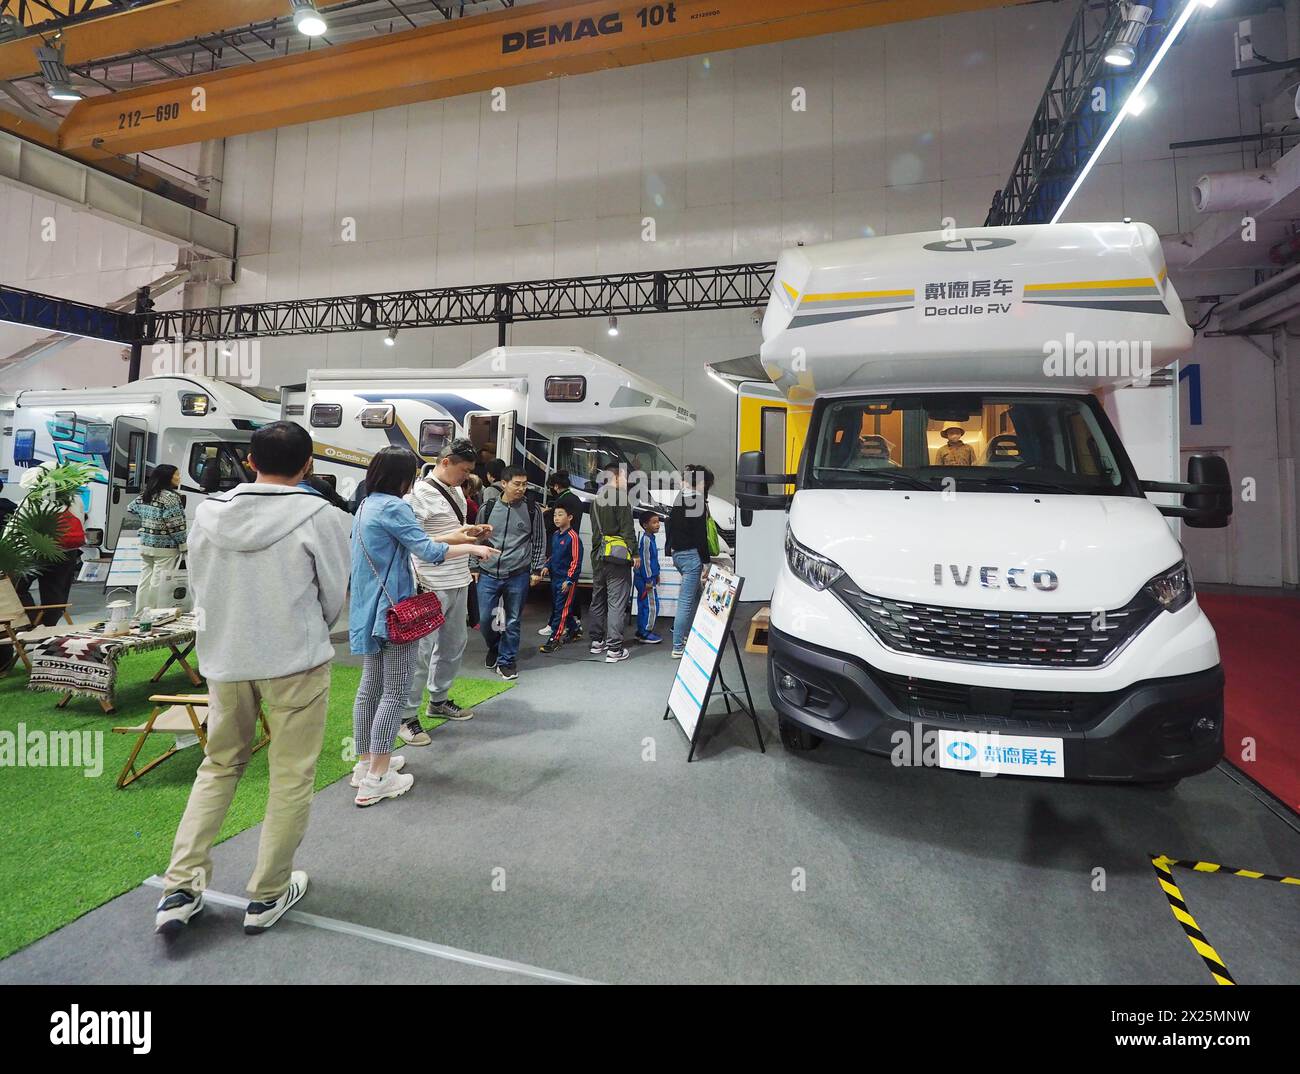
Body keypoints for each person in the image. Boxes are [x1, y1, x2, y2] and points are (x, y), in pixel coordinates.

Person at [154, 421, 352, 936]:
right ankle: (267, 893)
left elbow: (199, 585)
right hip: (295, 662)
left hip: (225, 659)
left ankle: (180, 887)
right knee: (290, 776)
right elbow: (333, 593)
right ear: (308, 465)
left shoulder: (207, 513)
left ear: (249, 461)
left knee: (218, 765)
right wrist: (309, 631)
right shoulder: (323, 515)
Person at [350, 446, 497, 806]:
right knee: (394, 691)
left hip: (367, 608)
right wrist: (474, 549)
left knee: (370, 687)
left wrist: (459, 536)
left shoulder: (368, 504)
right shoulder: (398, 505)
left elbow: (416, 540)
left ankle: (366, 764)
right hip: (394, 611)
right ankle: (378, 776)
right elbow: (428, 551)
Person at [397, 439, 484, 745]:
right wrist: (462, 538)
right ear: (445, 462)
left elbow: (451, 531)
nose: (466, 476)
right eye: (464, 469)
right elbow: (414, 539)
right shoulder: (417, 494)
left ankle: (438, 701)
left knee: (453, 645)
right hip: (430, 581)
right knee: (421, 652)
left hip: (458, 577)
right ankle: (406, 716)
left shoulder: (458, 491)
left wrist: (471, 532)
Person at [476, 466, 546, 680]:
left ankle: (506, 661)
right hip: (488, 572)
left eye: (525, 484)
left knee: (513, 620)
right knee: (485, 619)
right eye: (517, 483)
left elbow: (539, 541)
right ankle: (495, 647)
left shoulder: (532, 510)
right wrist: (472, 565)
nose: (521, 488)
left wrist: (535, 569)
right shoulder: (488, 507)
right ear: (504, 484)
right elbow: (476, 537)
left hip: (518, 573)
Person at [588, 463, 638, 664]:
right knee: (616, 601)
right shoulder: (621, 498)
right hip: (616, 557)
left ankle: (596, 641)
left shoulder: (596, 499)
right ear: (616, 477)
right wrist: (634, 553)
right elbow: (627, 529)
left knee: (598, 598)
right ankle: (614, 648)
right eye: (625, 477)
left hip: (598, 554)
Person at [666, 464, 714, 659]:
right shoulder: (698, 501)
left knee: (696, 597)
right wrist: (706, 562)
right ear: (701, 483)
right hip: (691, 557)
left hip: (678, 554)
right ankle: (678, 645)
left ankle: (689, 637)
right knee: (686, 601)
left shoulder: (680, 498)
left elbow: (671, 526)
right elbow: (700, 536)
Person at [127, 464, 187, 613]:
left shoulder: (145, 495)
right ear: (167, 477)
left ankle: (140, 614)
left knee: (144, 580)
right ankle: (152, 614)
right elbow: (175, 525)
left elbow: (130, 508)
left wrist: (147, 519)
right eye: (177, 475)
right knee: (158, 582)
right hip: (165, 547)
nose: (179, 478)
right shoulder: (171, 498)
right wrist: (183, 543)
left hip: (146, 543)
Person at [539, 471, 584, 640]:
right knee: (563, 599)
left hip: (564, 555)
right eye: (555, 515)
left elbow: (575, 563)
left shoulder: (562, 501)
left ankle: (556, 632)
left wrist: (547, 513)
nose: (557, 518)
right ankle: (573, 624)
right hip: (561, 552)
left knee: (562, 599)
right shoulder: (575, 498)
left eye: (559, 515)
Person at [634, 511, 663, 645]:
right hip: (645, 580)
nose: (658, 525)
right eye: (654, 522)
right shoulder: (646, 540)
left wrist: (656, 575)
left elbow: (652, 560)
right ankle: (646, 632)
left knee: (644, 604)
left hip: (647, 578)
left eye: (658, 522)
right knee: (651, 606)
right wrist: (648, 579)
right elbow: (645, 561)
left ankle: (641, 630)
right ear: (645, 525)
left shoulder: (650, 538)